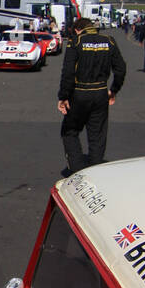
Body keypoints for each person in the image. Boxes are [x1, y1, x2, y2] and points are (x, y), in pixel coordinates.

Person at [57, 14, 126, 173]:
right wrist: (114, 89)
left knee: (70, 131)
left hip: (80, 92)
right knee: (97, 135)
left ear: (77, 29)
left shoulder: (76, 41)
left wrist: (63, 96)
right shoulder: (109, 41)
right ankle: (95, 171)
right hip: (101, 91)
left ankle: (76, 169)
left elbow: (68, 72)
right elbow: (121, 69)